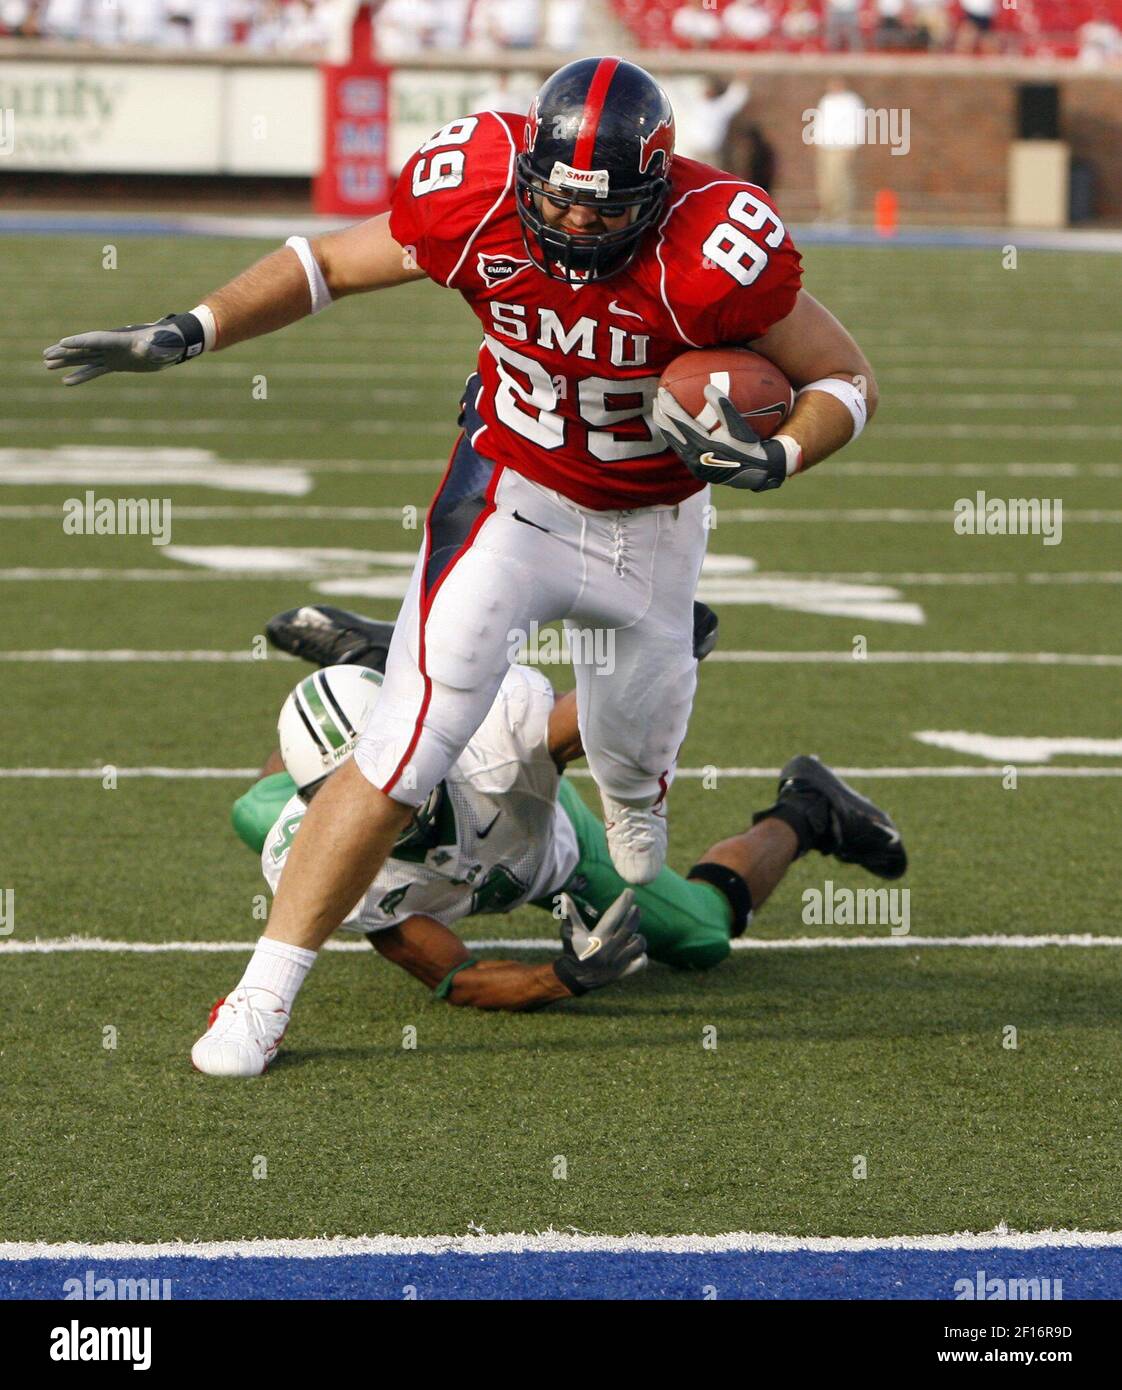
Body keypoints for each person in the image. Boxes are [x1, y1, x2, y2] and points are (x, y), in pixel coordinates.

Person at [43, 58, 879, 1077]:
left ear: (655, 192)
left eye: (600, 208)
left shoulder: (717, 247)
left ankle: (633, 793)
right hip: (511, 497)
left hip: (654, 526)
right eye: (556, 202)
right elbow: (327, 265)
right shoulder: (472, 194)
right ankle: (262, 995)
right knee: (407, 743)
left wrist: (781, 451)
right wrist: (190, 328)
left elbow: (841, 374)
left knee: (631, 777)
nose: (573, 227)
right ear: (523, 172)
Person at [195, 601, 907, 1072]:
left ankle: (808, 807)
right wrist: (562, 978)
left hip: (549, 847)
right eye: (333, 798)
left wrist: (650, 666)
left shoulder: (496, 746)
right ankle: (371, 664)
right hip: (413, 844)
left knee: (700, 937)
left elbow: (589, 719)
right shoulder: (317, 852)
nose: (375, 807)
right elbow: (456, 977)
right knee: (252, 814)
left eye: (371, 775)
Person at [809, 77, 865, 224]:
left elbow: (857, 124)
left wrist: (852, 146)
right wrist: (816, 141)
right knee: (824, 183)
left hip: (841, 147)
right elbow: (820, 122)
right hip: (825, 147)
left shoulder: (852, 102)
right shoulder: (826, 100)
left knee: (840, 181)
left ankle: (841, 215)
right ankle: (827, 213)